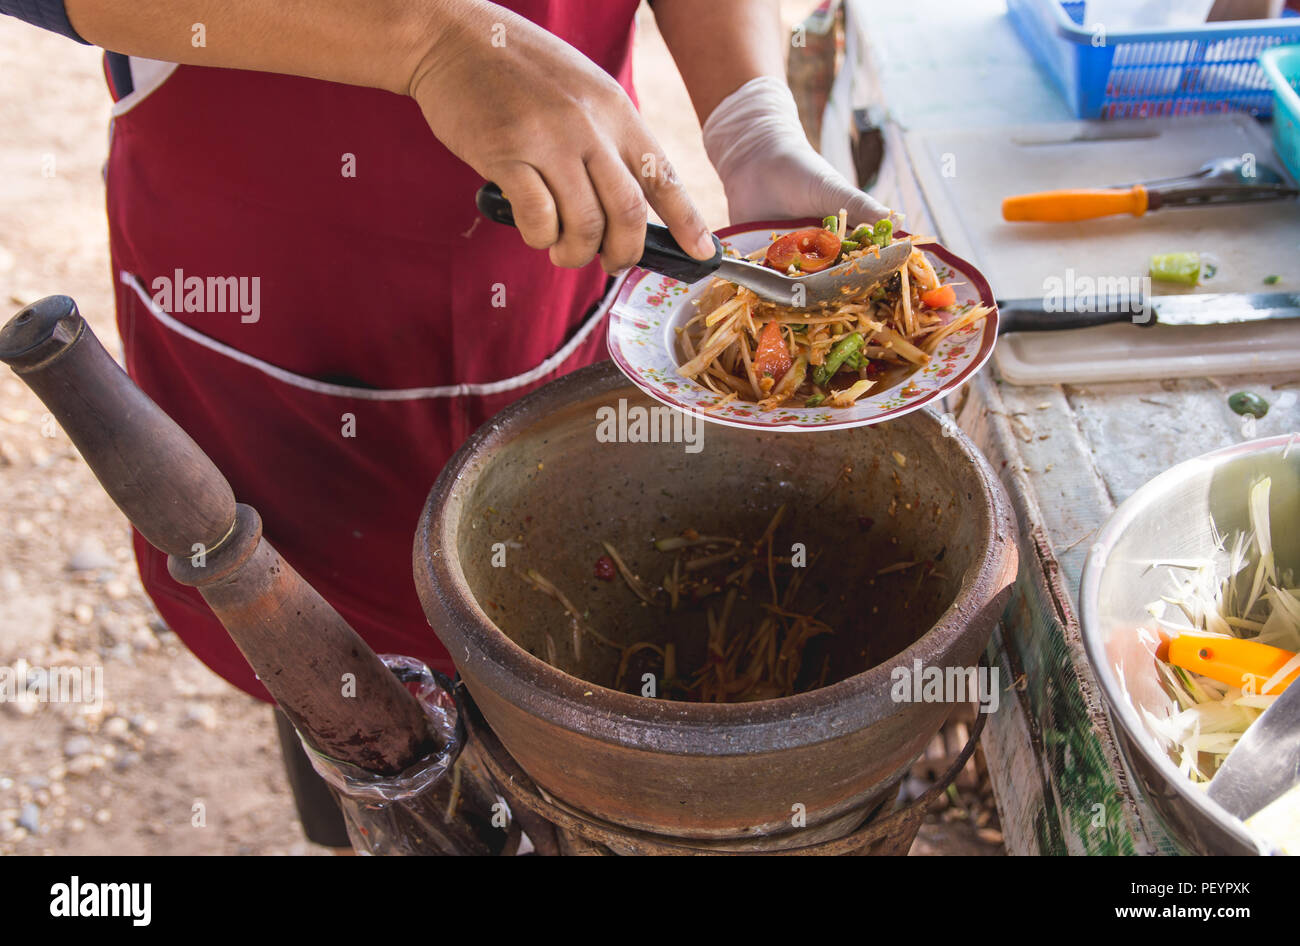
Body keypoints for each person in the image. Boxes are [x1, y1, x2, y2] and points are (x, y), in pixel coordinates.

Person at [1, 0, 889, 848]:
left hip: (549, 282)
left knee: (588, 634)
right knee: (349, 710)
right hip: (273, 300)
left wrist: (749, 121)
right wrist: (428, 38)